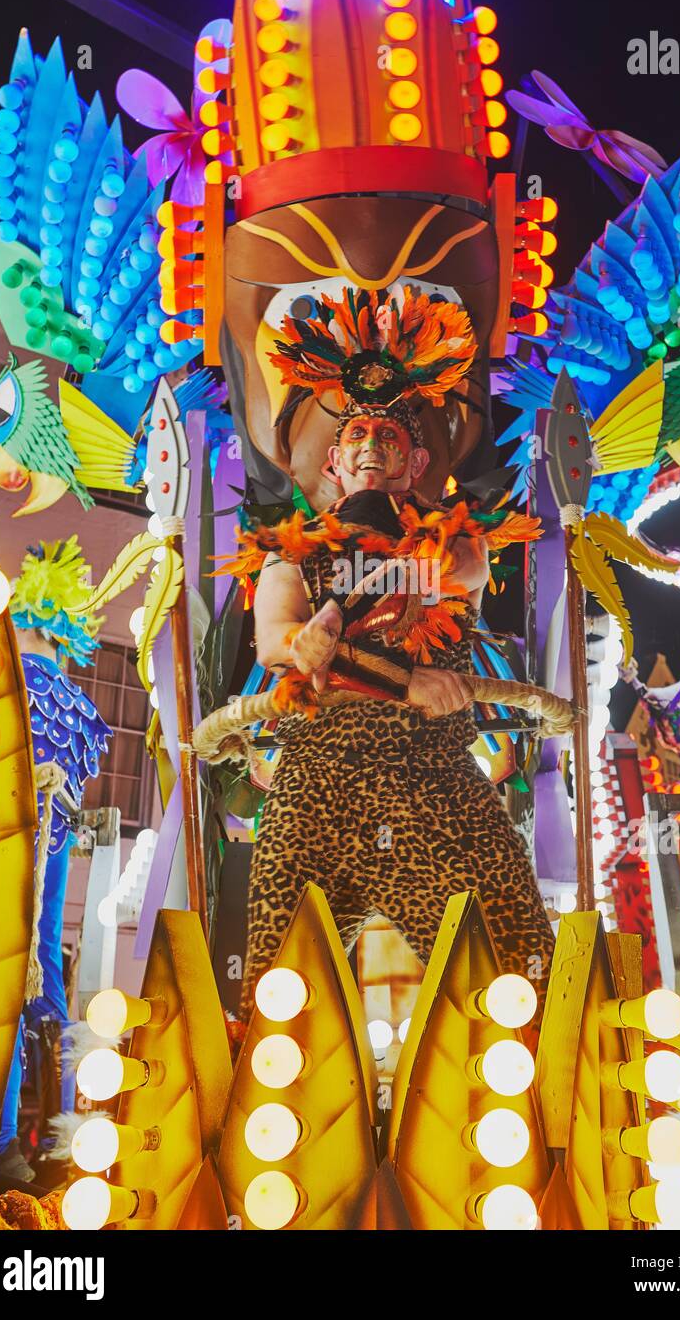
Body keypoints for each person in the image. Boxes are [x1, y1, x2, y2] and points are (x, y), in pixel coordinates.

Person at [231, 389, 555, 1021]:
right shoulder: (289, 554)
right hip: (317, 784)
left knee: (515, 977)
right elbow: (279, 648)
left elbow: (437, 574)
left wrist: (335, 636)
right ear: (333, 462)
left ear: (417, 462)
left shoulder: (458, 543)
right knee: (276, 997)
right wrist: (403, 681)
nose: (373, 444)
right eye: (358, 434)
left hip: (434, 782)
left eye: (390, 436)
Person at [0, 539, 111, 1190]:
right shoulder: (81, 711)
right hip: (52, 859)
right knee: (45, 991)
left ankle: (1, 1140)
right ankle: (66, 1132)